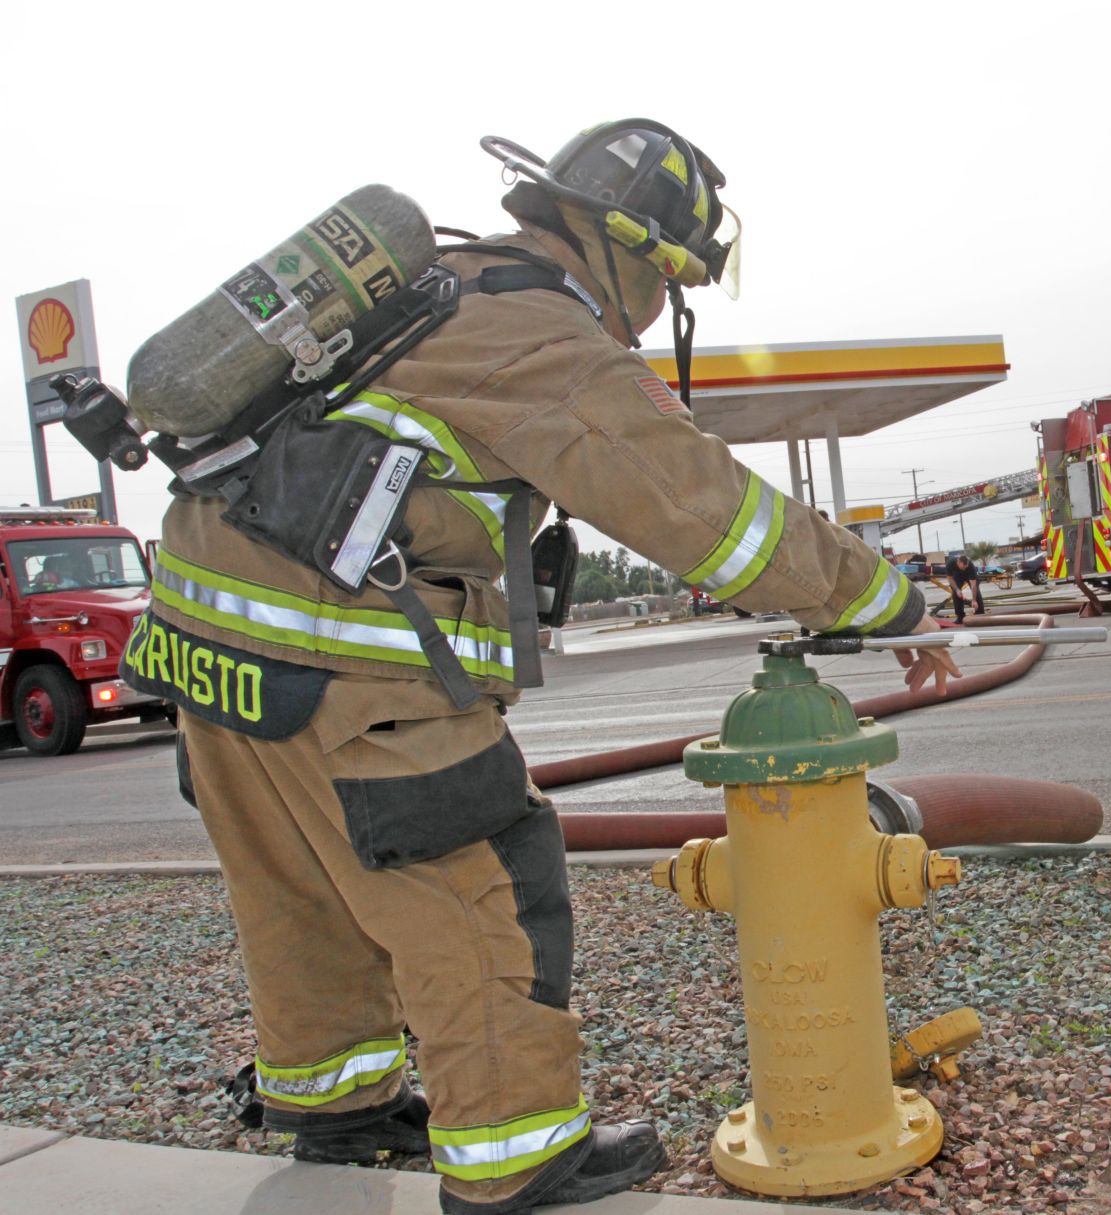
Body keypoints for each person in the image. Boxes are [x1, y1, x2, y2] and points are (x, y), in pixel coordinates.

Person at [126, 120, 961, 1215]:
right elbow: (706, 513)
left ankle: (334, 1103)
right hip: (348, 675)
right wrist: (881, 596)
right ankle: (513, 1154)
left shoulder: (437, 288)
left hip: (204, 652)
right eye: (667, 280)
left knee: (302, 888)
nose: (658, 309)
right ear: (622, 246)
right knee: (480, 892)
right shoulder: (537, 335)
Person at [943, 553, 986, 623]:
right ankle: (960, 616)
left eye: (966, 566)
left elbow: (973, 585)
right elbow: (950, 579)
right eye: (963, 566)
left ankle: (980, 613)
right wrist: (957, 590)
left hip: (969, 575)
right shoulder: (950, 564)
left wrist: (974, 600)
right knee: (956, 593)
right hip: (958, 575)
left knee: (976, 592)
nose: (965, 568)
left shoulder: (970, 566)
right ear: (958, 562)